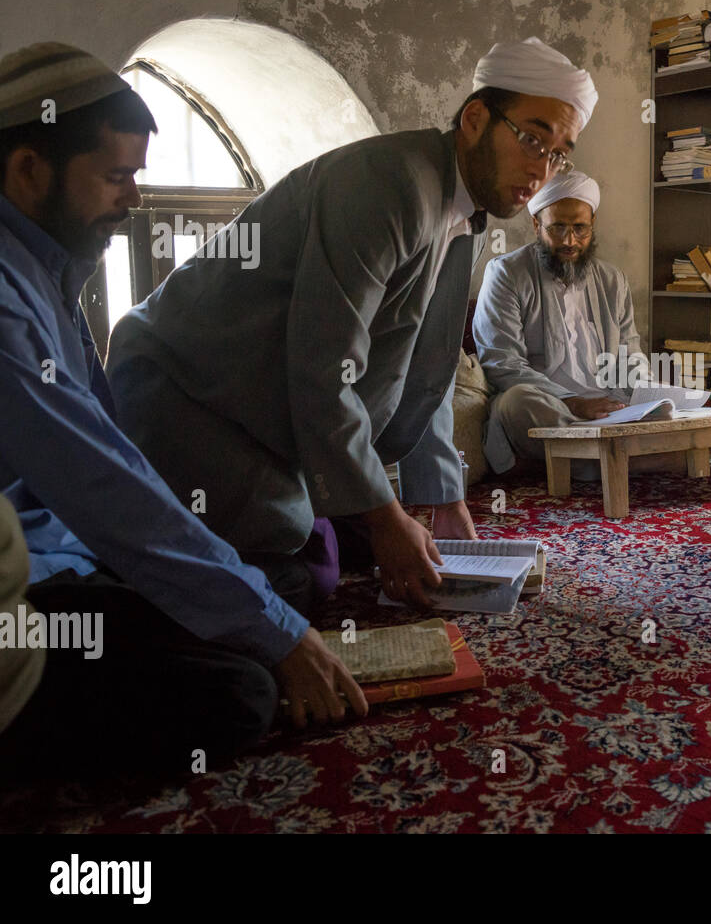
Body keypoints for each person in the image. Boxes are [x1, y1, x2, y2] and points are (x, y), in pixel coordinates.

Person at [107, 38, 597, 610]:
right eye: (533, 138)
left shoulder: (458, 209)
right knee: (307, 579)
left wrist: (441, 497)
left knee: (365, 544)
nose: (542, 168)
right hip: (190, 399)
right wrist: (386, 518)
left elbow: (425, 367)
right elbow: (321, 370)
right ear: (475, 118)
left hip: (269, 416)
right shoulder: (390, 187)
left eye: (558, 153)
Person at [0, 43, 362, 774]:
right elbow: (101, 486)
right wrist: (274, 634)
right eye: (116, 176)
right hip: (21, 596)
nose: (133, 198)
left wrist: (261, 611)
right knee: (239, 691)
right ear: (29, 170)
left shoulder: (45, 267)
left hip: (67, 550)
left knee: (284, 581)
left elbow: (112, 462)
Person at [473, 170, 649, 473]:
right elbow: (502, 363)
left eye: (580, 228)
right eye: (557, 228)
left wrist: (649, 393)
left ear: (592, 224)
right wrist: (574, 403)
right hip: (551, 405)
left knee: (666, 399)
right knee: (515, 403)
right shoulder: (506, 274)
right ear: (536, 224)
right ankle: (621, 463)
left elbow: (629, 352)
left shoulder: (612, 279)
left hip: (608, 406)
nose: (570, 241)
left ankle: (591, 462)